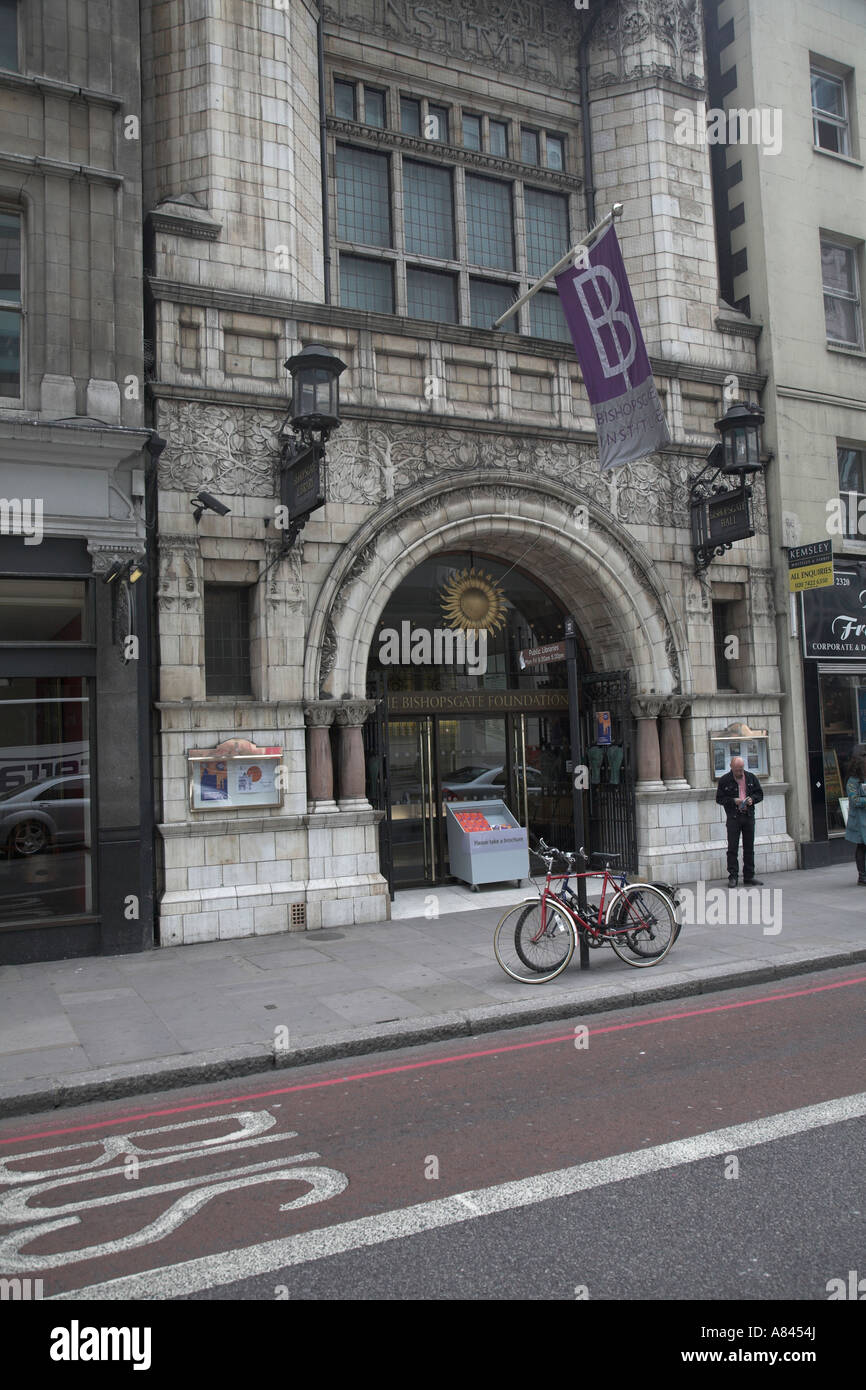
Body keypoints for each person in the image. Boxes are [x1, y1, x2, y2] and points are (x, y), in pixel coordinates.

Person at [715, 754, 764, 888]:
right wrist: (733, 801)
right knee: (733, 848)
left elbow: (760, 794)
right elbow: (719, 798)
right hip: (734, 817)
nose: (740, 772)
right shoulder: (725, 780)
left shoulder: (751, 777)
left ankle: (749, 876)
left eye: (741, 769)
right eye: (737, 769)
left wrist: (752, 799)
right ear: (731, 767)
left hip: (748, 816)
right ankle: (733, 876)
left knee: (749, 847)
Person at [843, 752, 866, 885]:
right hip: (859, 821)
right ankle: (862, 876)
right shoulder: (852, 781)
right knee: (862, 846)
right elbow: (855, 800)